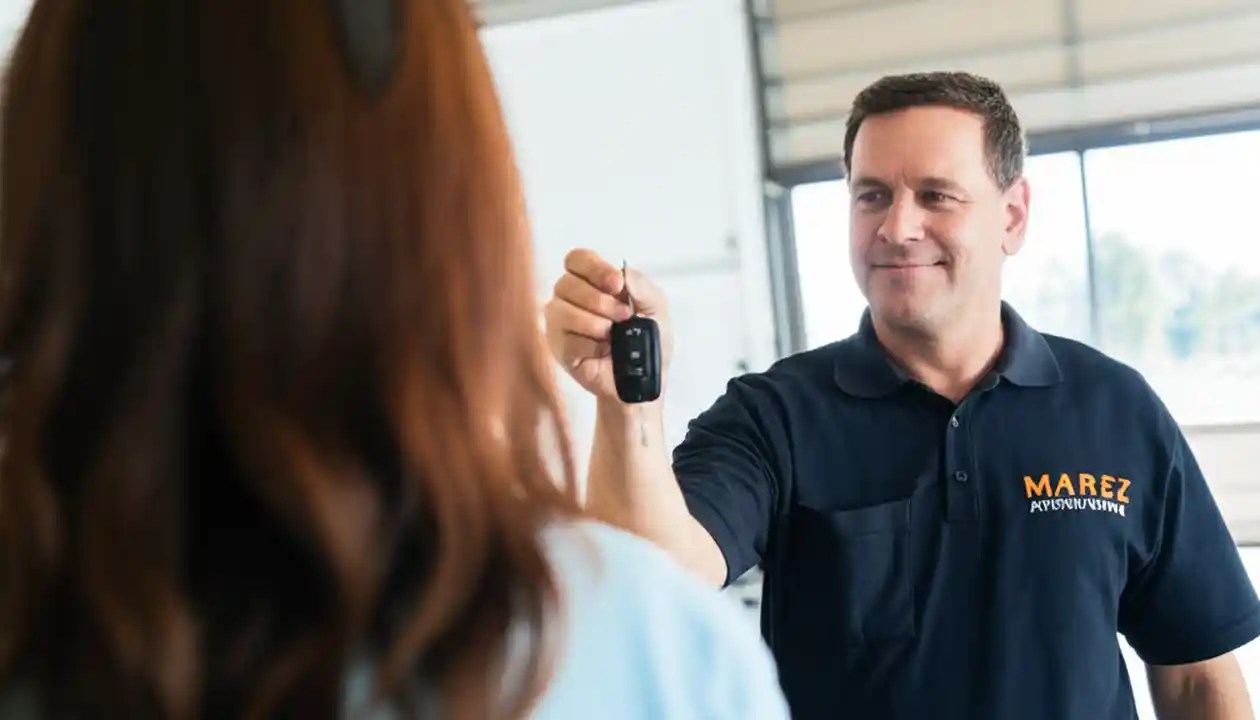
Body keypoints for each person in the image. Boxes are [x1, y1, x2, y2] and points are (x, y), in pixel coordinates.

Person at [0, 1, 791, 718]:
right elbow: (680, 568)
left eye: (926, 194)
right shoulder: (646, 648)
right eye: (868, 192)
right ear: (459, 210)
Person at [545, 71, 1260, 719]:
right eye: (872, 196)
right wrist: (625, 404)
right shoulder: (776, 416)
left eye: (935, 195)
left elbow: (1197, 676)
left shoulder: (1116, 410)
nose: (897, 226)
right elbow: (652, 576)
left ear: (1012, 216)